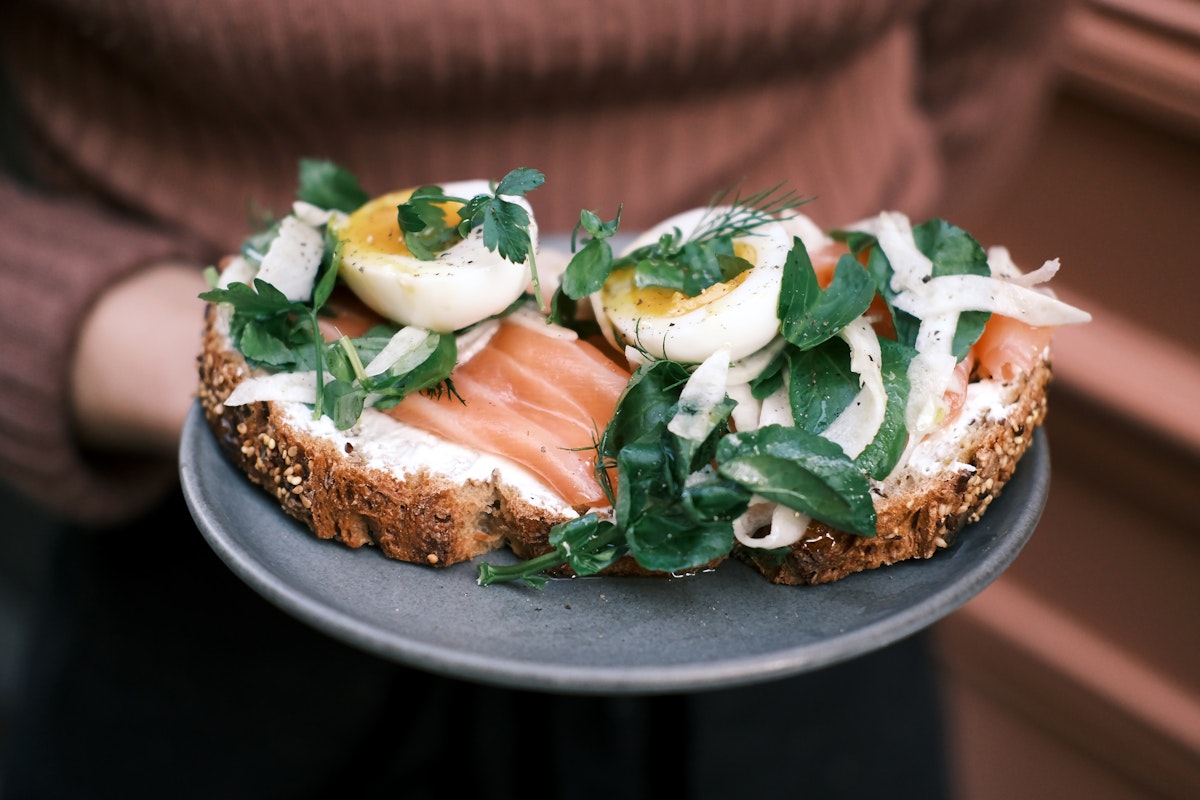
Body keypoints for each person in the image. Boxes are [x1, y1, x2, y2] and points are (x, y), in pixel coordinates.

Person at [0, 1, 1072, 797]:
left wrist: (845, 345)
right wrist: (90, 323)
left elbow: (994, 35)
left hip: (810, 622)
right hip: (208, 592)